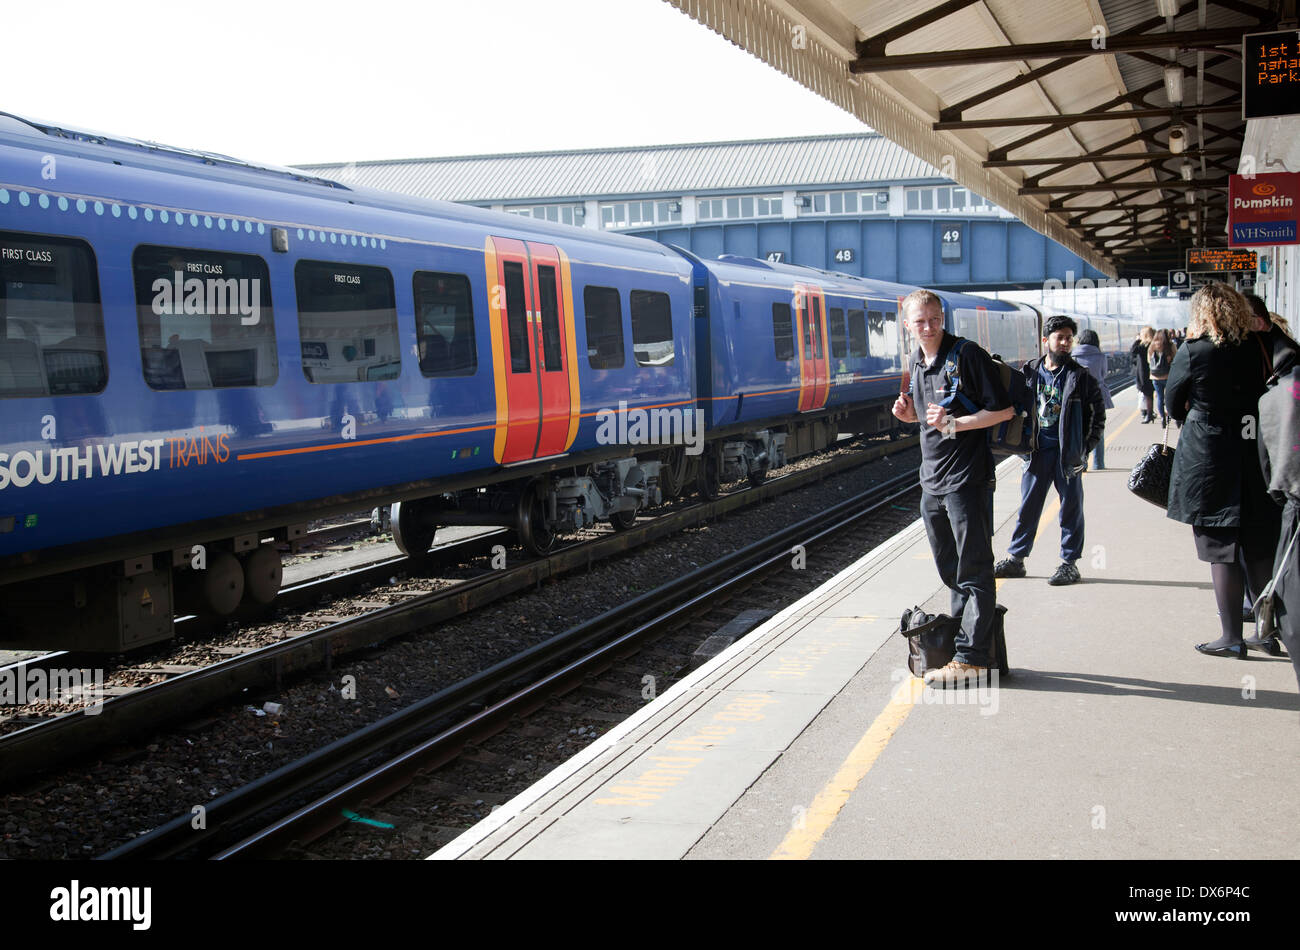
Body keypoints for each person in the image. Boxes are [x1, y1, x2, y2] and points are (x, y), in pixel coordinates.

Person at [891, 289, 1014, 687]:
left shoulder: (967, 355)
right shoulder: (915, 361)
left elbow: (1004, 410)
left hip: (967, 480)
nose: (928, 327)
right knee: (951, 569)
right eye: (920, 321)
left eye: (934, 319)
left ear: (942, 317)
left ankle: (973, 657)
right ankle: (966, 648)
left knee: (975, 567)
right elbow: (928, 422)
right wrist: (910, 416)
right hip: (932, 481)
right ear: (907, 325)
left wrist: (956, 423)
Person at [1166, 283, 1281, 659]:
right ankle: (1266, 633)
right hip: (1257, 452)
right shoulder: (1260, 347)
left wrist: (1199, 416)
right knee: (1259, 546)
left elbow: (1173, 403)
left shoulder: (1194, 350)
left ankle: (1231, 636)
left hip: (1209, 460)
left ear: (1201, 313)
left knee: (1221, 549)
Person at [994, 315, 1106, 586]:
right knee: (1028, 507)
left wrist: (1083, 450)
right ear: (1046, 341)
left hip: (1067, 456)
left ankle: (1069, 564)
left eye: (1069, 338)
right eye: (1060, 337)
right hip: (1036, 451)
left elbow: (1097, 417)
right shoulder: (1030, 372)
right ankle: (1016, 559)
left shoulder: (1080, 377)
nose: (1066, 342)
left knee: (1071, 508)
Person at [1072, 328, 1113, 470]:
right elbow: (1104, 374)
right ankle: (1098, 463)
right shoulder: (1101, 356)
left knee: (1081, 429)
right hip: (1098, 395)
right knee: (1098, 429)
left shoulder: (1073, 357)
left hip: (1079, 397)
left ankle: (1082, 463)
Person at [1147, 329, 1177, 427]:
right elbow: (1176, 358)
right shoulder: (1170, 345)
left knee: (1160, 398)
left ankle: (1162, 418)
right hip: (1168, 375)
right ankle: (1170, 415)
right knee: (1168, 397)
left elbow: (1149, 360)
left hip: (1155, 376)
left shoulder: (1153, 345)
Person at [1131, 327, 1155, 422]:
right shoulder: (1153, 344)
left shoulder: (1143, 346)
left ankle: (1149, 415)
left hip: (1144, 374)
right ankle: (1152, 414)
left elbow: (1133, 350)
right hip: (1153, 372)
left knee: (1148, 395)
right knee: (1152, 395)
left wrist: (1137, 340)